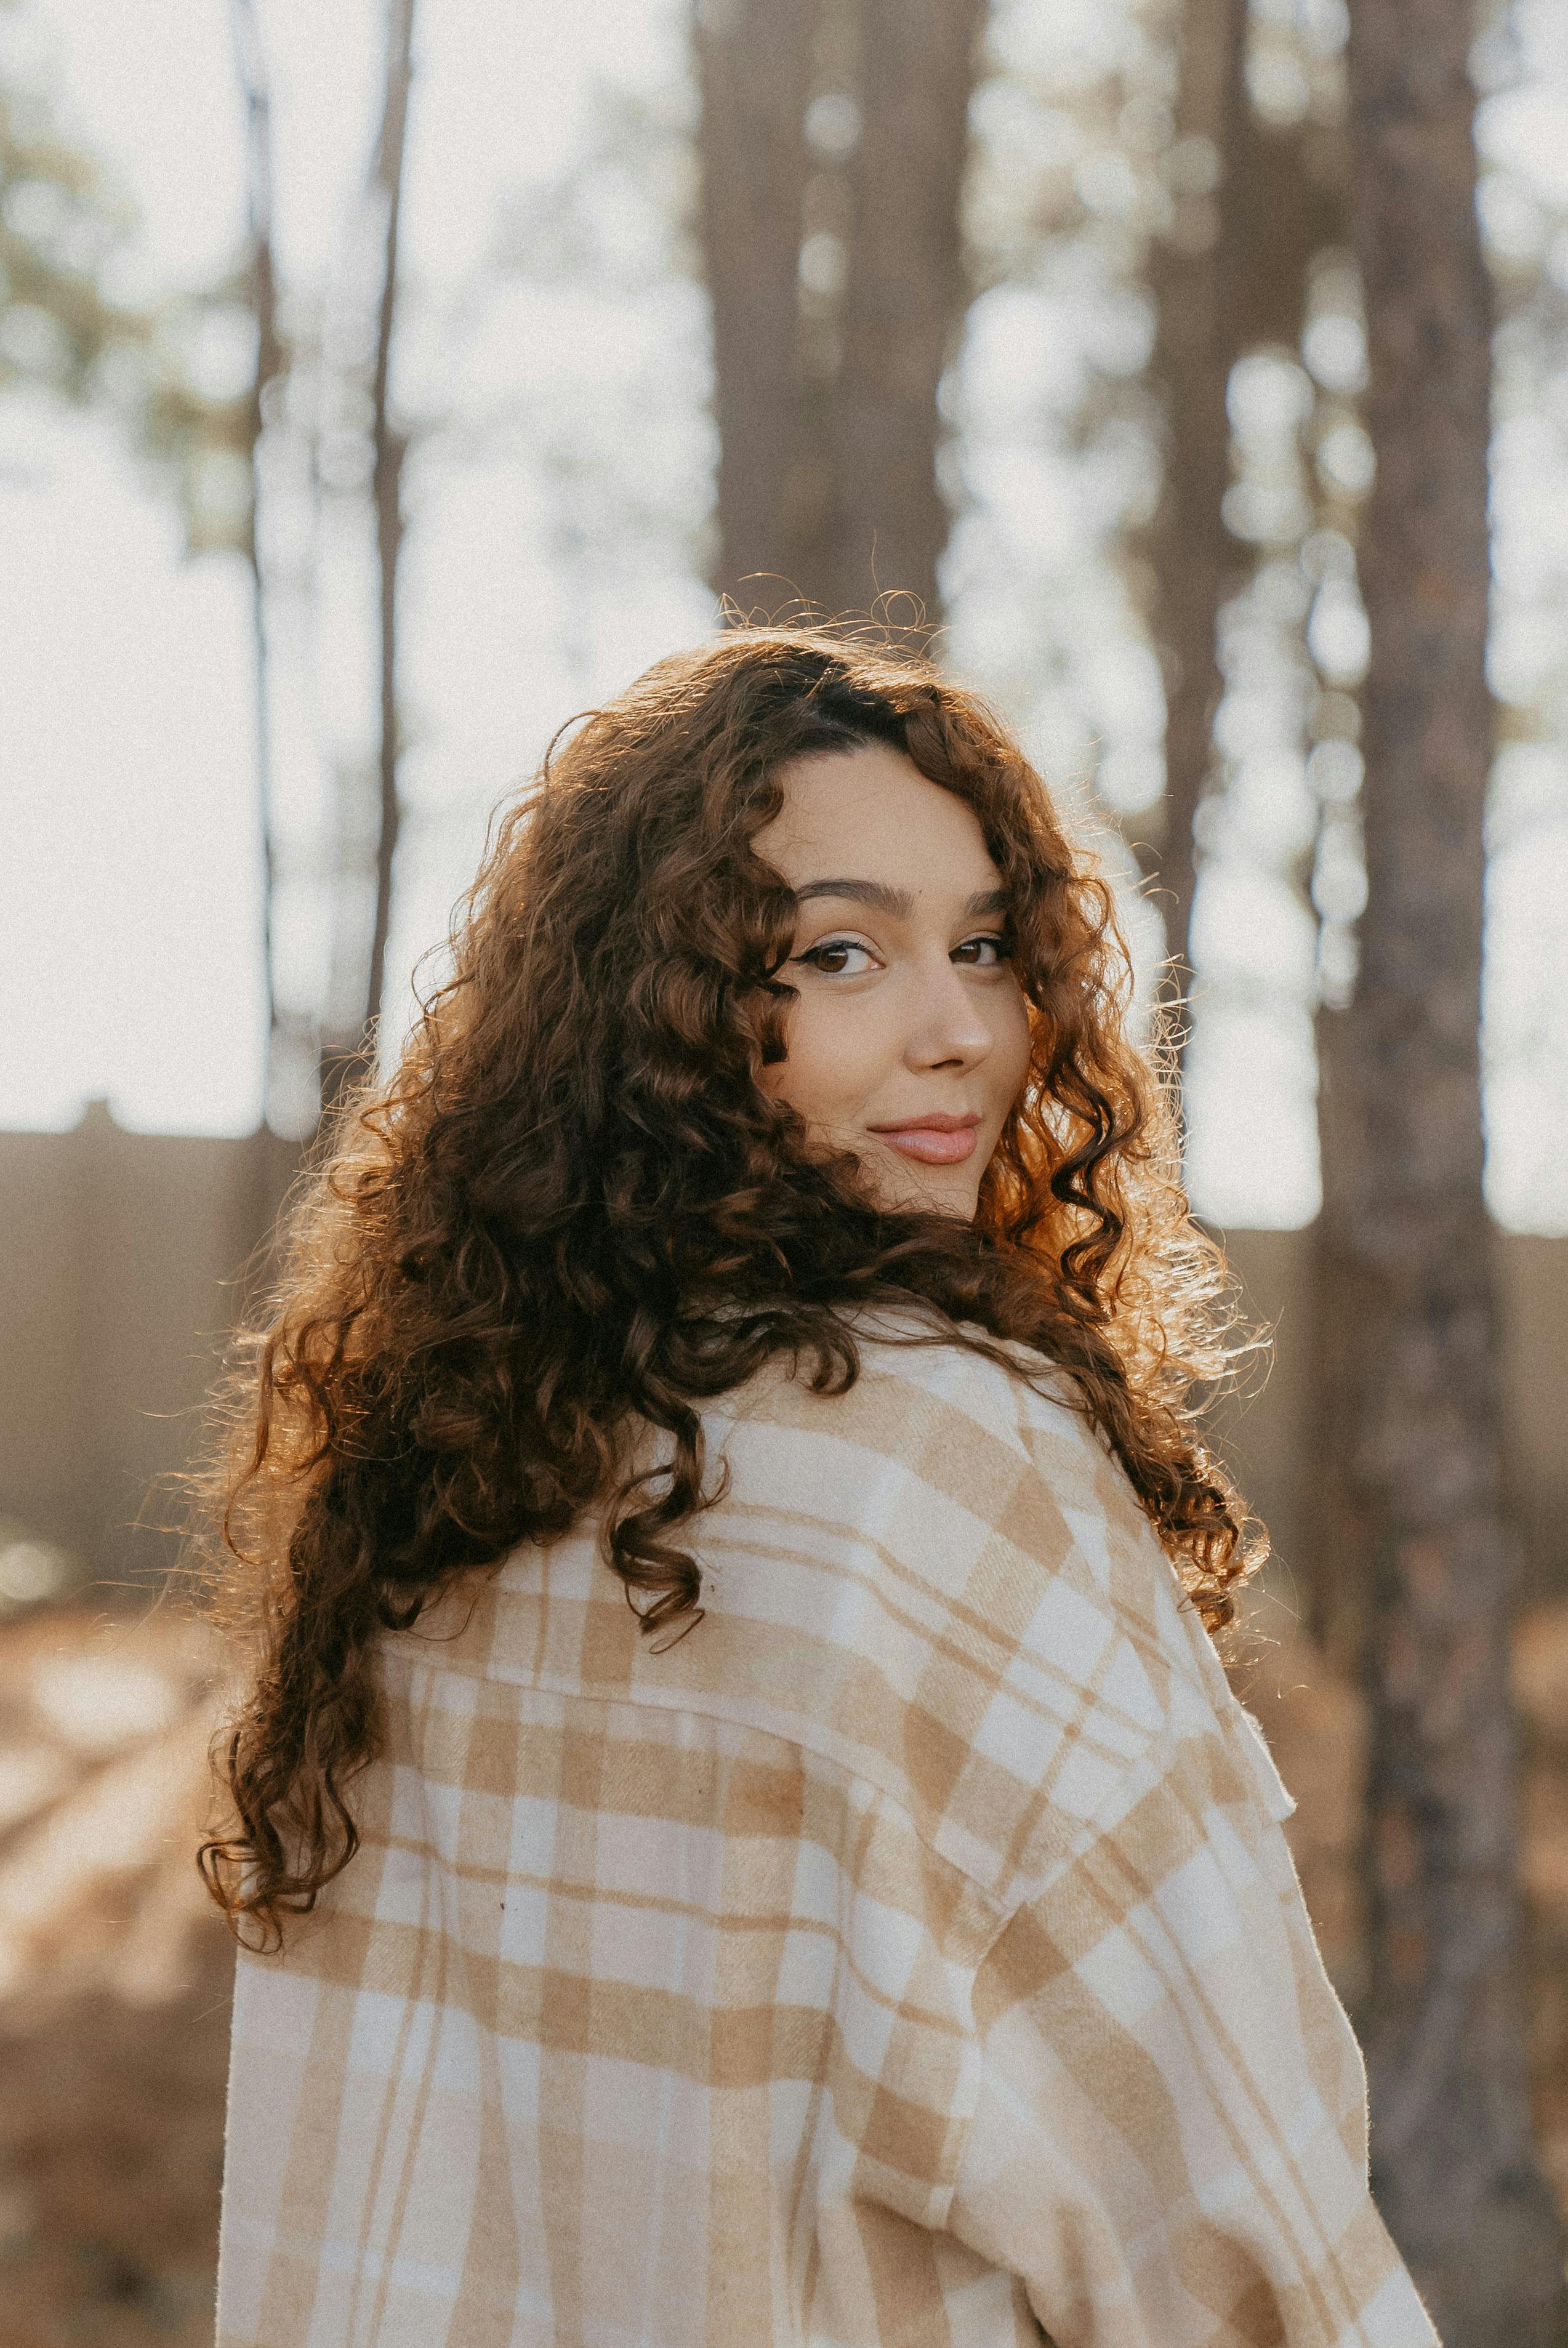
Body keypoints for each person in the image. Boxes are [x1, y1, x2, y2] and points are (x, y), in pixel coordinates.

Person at [204, 629, 1438, 2346]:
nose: (959, 1032)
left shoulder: (442, 1462)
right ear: (666, 1005)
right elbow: (1217, 2203)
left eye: (988, 946)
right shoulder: (946, 1453)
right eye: (839, 954)